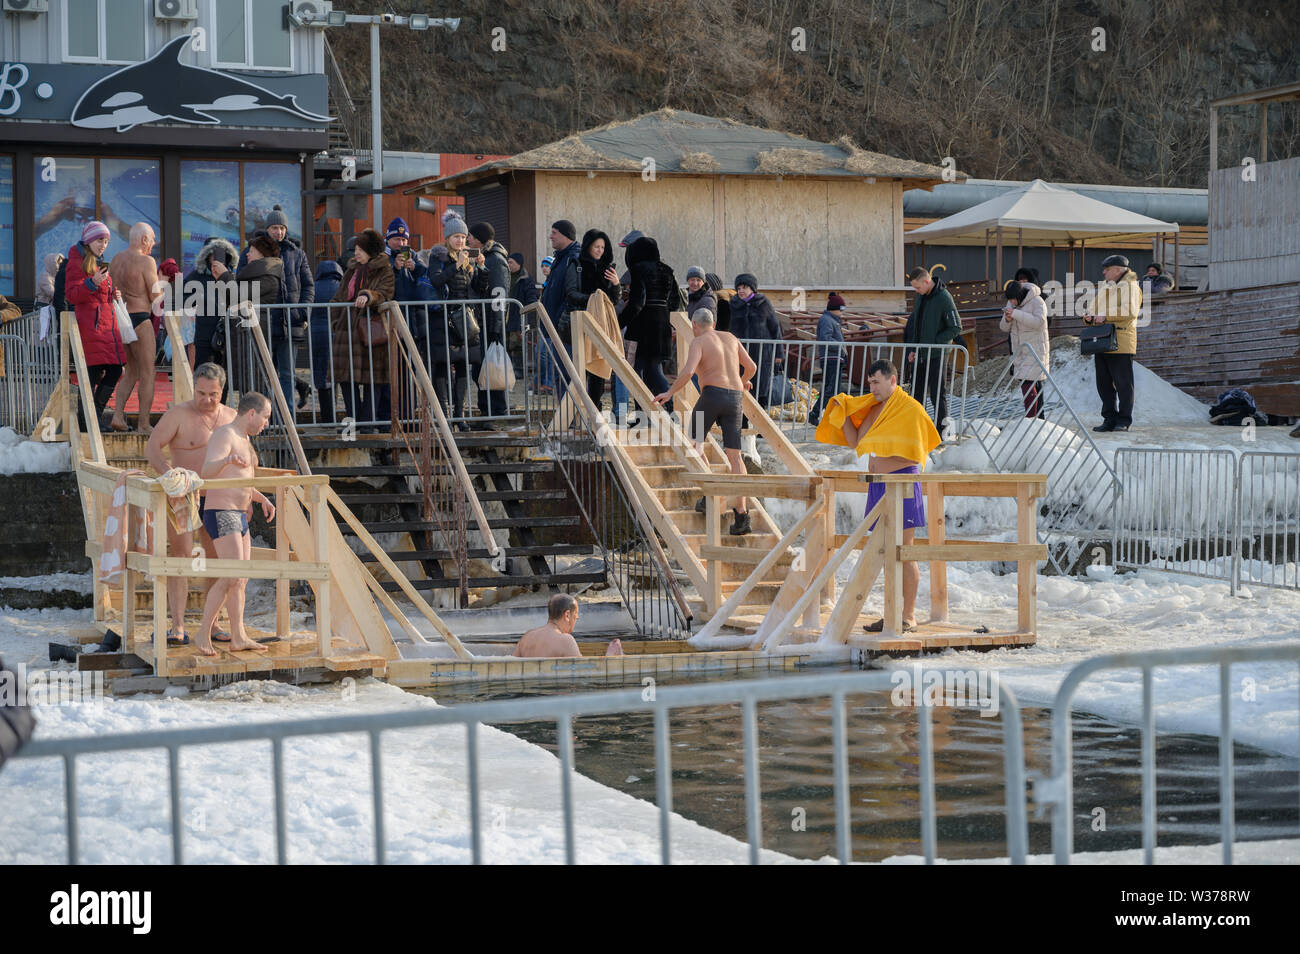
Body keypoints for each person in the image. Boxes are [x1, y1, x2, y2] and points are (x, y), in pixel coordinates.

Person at [814, 359, 942, 633]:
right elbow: (856, 441)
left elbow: (920, 447)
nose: (871, 387)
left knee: (904, 551)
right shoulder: (874, 409)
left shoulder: (910, 408)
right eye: (869, 382)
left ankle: (908, 616)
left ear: (892, 381)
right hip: (878, 485)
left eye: (876, 382)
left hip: (903, 483)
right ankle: (891, 612)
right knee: (885, 552)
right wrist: (845, 412)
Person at [146, 363, 239, 644]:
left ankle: (212, 623)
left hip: (219, 495)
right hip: (184, 494)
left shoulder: (232, 418)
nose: (206, 400)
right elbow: (152, 447)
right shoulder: (178, 414)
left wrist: (248, 495)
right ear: (193, 389)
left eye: (213, 394)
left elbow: (246, 457)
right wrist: (168, 475)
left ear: (222, 391)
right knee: (181, 556)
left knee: (218, 558)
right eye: (201, 393)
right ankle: (177, 624)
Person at [654, 308, 757, 536]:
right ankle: (742, 515)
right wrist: (743, 381)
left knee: (694, 444)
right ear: (714, 322)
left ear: (693, 325)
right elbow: (752, 367)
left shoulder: (699, 341)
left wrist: (669, 392)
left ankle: (711, 495)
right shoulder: (730, 337)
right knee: (735, 456)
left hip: (712, 395)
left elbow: (689, 371)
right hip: (735, 398)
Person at [193, 392, 276, 656]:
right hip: (222, 511)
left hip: (239, 514)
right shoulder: (225, 435)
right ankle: (203, 632)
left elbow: (241, 478)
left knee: (240, 578)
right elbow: (206, 471)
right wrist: (227, 460)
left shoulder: (245, 439)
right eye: (265, 417)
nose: (266, 423)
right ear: (251, 413)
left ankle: (239, 636)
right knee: (231, 575)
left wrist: (261, 497)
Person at [237, 205, 314, 409]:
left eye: (282, 228)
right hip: (262, 322)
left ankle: (288, 421)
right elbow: (241, 280)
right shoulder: (252, 250)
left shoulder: (297, 253)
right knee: (261, 374)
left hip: (290, 322)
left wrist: (302, 312)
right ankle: (262, 420)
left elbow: (308, 285)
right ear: (267, 229)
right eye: (274, 228)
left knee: (287, 375)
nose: (279, 232)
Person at [65, 221, 126, 430]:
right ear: (89, 240)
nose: (104, 244)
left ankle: (95, 415)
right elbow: (72, 295)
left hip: (107, 326)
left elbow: (101, 295)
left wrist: (113, 293)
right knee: (92, 373)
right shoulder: (76, 261)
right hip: (91, 326)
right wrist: (92, 283)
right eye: (100, 240)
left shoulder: (99, 262)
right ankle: (88, 421)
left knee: (116, 369)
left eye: (107, 241)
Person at [331, 228, 395, 427]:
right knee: (345, 378)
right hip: (346, 331)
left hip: (370, 333)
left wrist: (368, 295)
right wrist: (334, 318)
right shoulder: (352, 269)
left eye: (360, 249)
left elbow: (385, 292)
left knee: (372, 381)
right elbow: (340, 296)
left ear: (370, 250)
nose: (356, 253)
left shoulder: (385, 269)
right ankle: (354, 419)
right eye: (356, 249)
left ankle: (367, 423)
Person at [107, 223, 163, 434]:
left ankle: (118, 415)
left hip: (120, 319)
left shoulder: (116, 260)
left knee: (131, 370)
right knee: (148, 372)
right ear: (143, 239)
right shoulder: (146, 261)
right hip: (140, 319)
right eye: (152, 239)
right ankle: (143, 423)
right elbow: (155, 297)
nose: (154, 243)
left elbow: (109, 292)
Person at [428, 212, 481, 421]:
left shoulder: (468, 259)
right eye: (456, 237)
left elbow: (477, 288)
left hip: (465, 320)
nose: (460, 241)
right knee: (442, 365)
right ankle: (443, 415)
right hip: (444, 319)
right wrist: (456, 265)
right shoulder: (438, 256)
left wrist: (481, 267)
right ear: (447, 238)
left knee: (462, 366)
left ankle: (459, 415)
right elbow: (436, 281)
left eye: (462, 237)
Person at [621, 235, 683, 410]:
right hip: (661, 325)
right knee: (651, 369)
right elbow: (675, 302)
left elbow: (637, 302)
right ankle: (649, 413)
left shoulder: (638, 269)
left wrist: (620, 321)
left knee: (644, 371)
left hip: (643, 326)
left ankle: (669, 407)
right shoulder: (668, 270)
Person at [1082, 254, 1141, 432]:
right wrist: (1089, 317)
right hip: (1102, 340)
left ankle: (1123, 420)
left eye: (1107, 269)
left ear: (1117, 270)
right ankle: (1109, 418)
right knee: (1104, 384)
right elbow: (1092, 308)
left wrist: (1105, 316)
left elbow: (1129, 311)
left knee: (1123, 384)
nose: (1103, 272)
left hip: (1121, 341)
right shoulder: (1106, 288)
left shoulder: (1131, 287)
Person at [564, 228, 622, 410]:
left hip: (602, 325)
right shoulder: (576, 264)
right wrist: (593, 299)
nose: (599, 250)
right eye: (596, 246)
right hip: (581, 323)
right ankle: (577, 409)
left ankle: (595, 408)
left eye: (602, 247)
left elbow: (614, 300)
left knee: (599, 368)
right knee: (581, 369)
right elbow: (571, 293)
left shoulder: (608, 268)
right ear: (588, 246)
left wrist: (616, 284)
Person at [903, 264, 962, 432]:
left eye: (918, 287)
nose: (916, 291)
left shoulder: (944, 297)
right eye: (914, 287)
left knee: (937, 393)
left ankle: (941, 430)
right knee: (917, 392)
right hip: (921, 352)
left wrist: (936, 341)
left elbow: (956, 327)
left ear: (927, 282)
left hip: (937, 353)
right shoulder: (921, 297)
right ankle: (917, 427)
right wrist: (913, 348)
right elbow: (917, 324)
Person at [231, 233, 286, 399]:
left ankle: (259, 421)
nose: (247, 254)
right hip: (248, 333)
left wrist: (224, 277)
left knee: (256, 381)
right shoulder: (254, 274)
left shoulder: (268, 277)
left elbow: (238, 295)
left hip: (257, 333)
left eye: (252, 251)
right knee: (248, 381)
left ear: (262, 254)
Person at [468, 222, 512, 420]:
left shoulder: (495, 260)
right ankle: (486, 410)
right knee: (482, 368)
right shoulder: (485, 258)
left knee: (493, 367)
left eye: (469, 236)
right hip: (483, 322)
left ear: (478, 239)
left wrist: (496, 326)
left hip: (491, 323)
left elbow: (499, 295)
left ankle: (496, 411)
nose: (467, 240)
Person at [728, 273, 781, 407]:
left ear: (752, 289)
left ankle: (761, 423)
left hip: (762, 354)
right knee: (741, 387)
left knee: (761, 388)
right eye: (738, 288)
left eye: (744, 287)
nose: (741, 291)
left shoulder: (763, 303)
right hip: (739, 354)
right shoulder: (733, 304)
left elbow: (775, 327)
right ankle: (742, 423)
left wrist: (779, 353)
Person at [514, 594, 622, 658]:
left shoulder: (526, 637)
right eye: (575, 615)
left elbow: (511, 666)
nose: (577, 618)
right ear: (567, 615)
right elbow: (585, 675)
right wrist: (610, 656)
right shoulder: (565, 640)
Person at [1000, 280, 1049, 419]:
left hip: (1035, 349)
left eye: (1013, 300)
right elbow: (1003, 327)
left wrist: (1015, 314)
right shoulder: (1011, 303)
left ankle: (1031, 419)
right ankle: (1039, 419)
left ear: (1020, 295)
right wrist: (1007, 318)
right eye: (1009, 300)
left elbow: (1039, 323)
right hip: (1019, 351)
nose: (1011, 302)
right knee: (1031, 384)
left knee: (1029, 384)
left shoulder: (1037, 301)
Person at [188, 237, 238, 369]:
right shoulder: (197, 275)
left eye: (220, 254)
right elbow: (181, 298)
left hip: (227, 333)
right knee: (203, 370)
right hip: (204, 332)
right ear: (207, 255)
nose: (216, 258)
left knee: (224, 373)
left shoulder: (231, 276)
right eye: (213, 254)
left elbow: (238, 299)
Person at [309, 259, 344, 423]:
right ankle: (348, 419)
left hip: (318, 336)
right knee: (343, 376)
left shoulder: (313, 288)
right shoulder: (343, 287)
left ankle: (328, 419)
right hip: (340, 335)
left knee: (323, 376)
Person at [809, 293, 848, 426]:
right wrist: (840, 348)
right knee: (831, 389)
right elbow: (825, 339)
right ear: (835, 308)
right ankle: (815, 414)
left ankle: (828, 416)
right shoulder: (827, 320)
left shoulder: (833, 320)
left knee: (833, 389)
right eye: (841, 309)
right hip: (831, 358)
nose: (843, 312)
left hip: (834, 358)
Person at [506, 251, 537, 368]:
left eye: (511, 262)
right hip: (506, 316)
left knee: (517, 345)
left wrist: (527, 318)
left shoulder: (526, 280)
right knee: (507, 343)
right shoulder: (506, 276)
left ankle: (519, 370)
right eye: (508, 262)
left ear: (519, 264)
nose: (509, 265)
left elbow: (532, 298)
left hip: (518, 317)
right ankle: (508, 370)